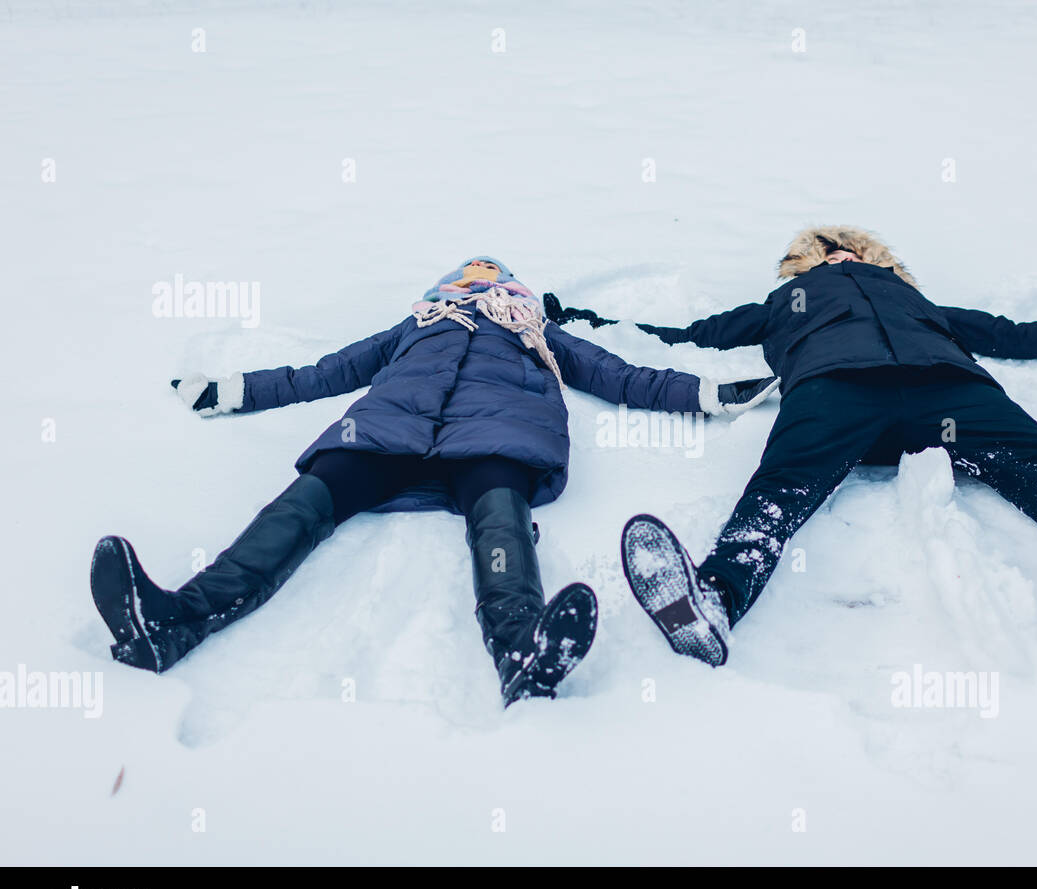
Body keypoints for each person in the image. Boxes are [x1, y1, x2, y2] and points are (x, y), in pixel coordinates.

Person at [545, 226, 1037, 666]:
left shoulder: (919, 302)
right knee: (778, 490)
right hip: (836, 392)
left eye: (852, 250)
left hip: (951, 392)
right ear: (804, 266)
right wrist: (570, 318)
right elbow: (686, 337)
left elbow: (1010, 336)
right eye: (824, 252)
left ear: (878, 260)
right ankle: (712, 601)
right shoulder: (784, 305)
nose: (841, 258)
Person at [90, 257, 778, 705]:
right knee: (303, 501)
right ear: (444, 291)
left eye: (495, 281)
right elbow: (323, 372)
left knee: (500, 519)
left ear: (515, 293)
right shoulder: (415, 329)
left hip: (495, 437)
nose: (482, 290)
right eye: (470, 280)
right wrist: (230, 390)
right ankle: (173, 621)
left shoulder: (535, 333)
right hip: (385, 436)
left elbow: (620, 376)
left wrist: (710, 395)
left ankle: (521, 651)